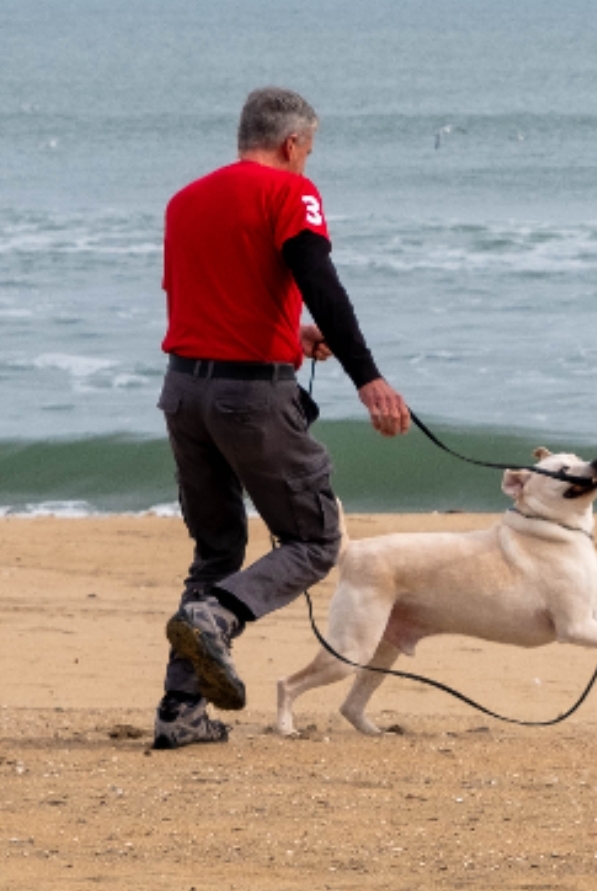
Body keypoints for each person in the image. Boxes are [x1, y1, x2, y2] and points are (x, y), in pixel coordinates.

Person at [153, 86, 410, 750]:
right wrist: (368, 376)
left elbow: (203, 296)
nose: (307, 161)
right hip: (250, 398)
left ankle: (180, 711)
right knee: (315, 539)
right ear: (293, 143)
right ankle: (220, 615)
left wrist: (288, 336)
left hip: (184, 390)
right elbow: (321, 282)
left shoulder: (185, 200)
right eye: (309, 151)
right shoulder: (291, 192)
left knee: (217, 550)